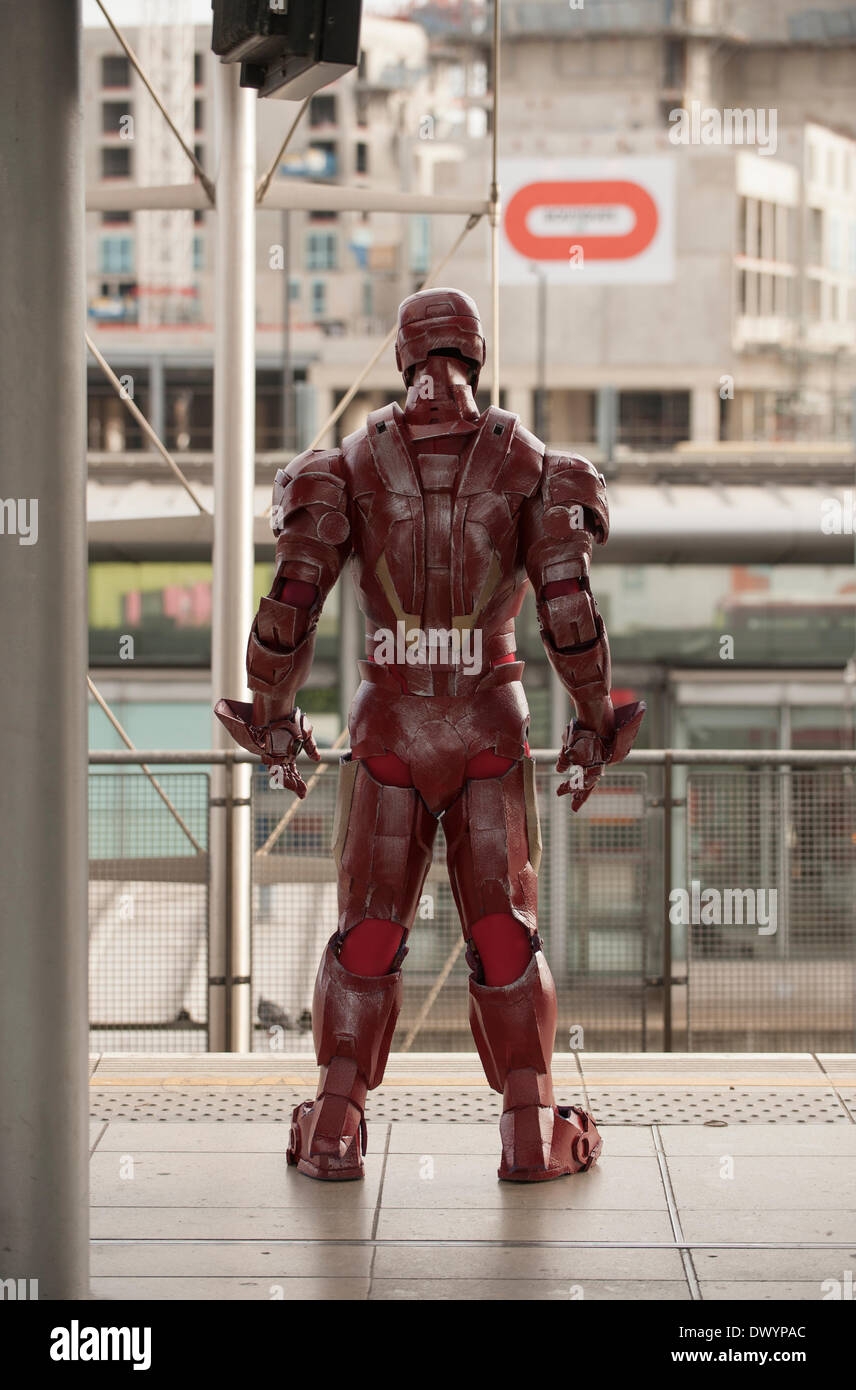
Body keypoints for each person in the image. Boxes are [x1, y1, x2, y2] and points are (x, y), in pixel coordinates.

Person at [216, 288, 644, 1182]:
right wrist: (597, 722)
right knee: (502, 925)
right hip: (489, 722)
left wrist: (274, 716)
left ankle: (334, 1127)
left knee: (370, 926)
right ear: (475, 354)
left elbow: (291, 604)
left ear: (403, 356)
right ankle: (528, 1133)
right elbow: (568, 609)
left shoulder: (341, 468)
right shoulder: (533, 462)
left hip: (389, 727)